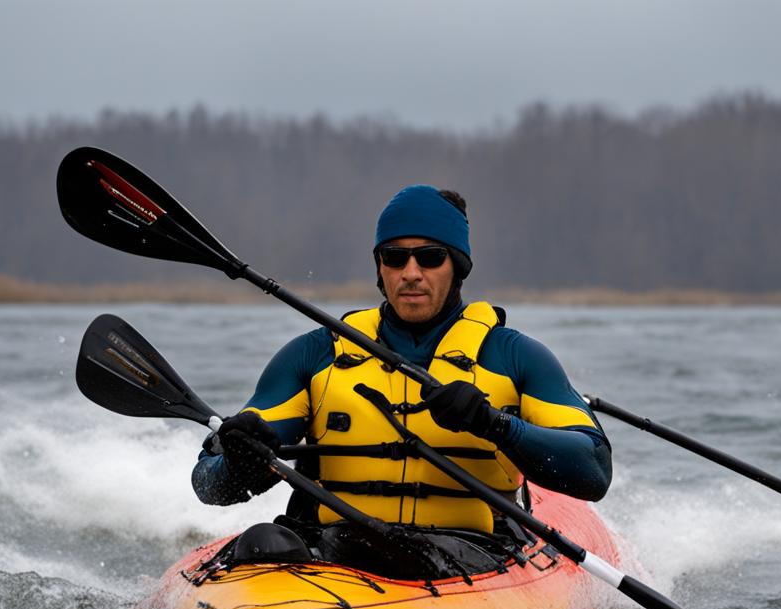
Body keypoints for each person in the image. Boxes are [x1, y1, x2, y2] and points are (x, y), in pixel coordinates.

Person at [193, 184, 612, 573]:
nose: (411, 272)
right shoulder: (315, 355)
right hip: (331, 548)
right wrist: (240, 459)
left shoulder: (514, 357)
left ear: (458, 267)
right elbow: (209, 485)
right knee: (263, 542)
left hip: (469, 552)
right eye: (394, 257)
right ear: (380, 266)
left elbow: (592, 470)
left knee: (410, 556)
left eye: (430, 257)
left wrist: (495, 423)